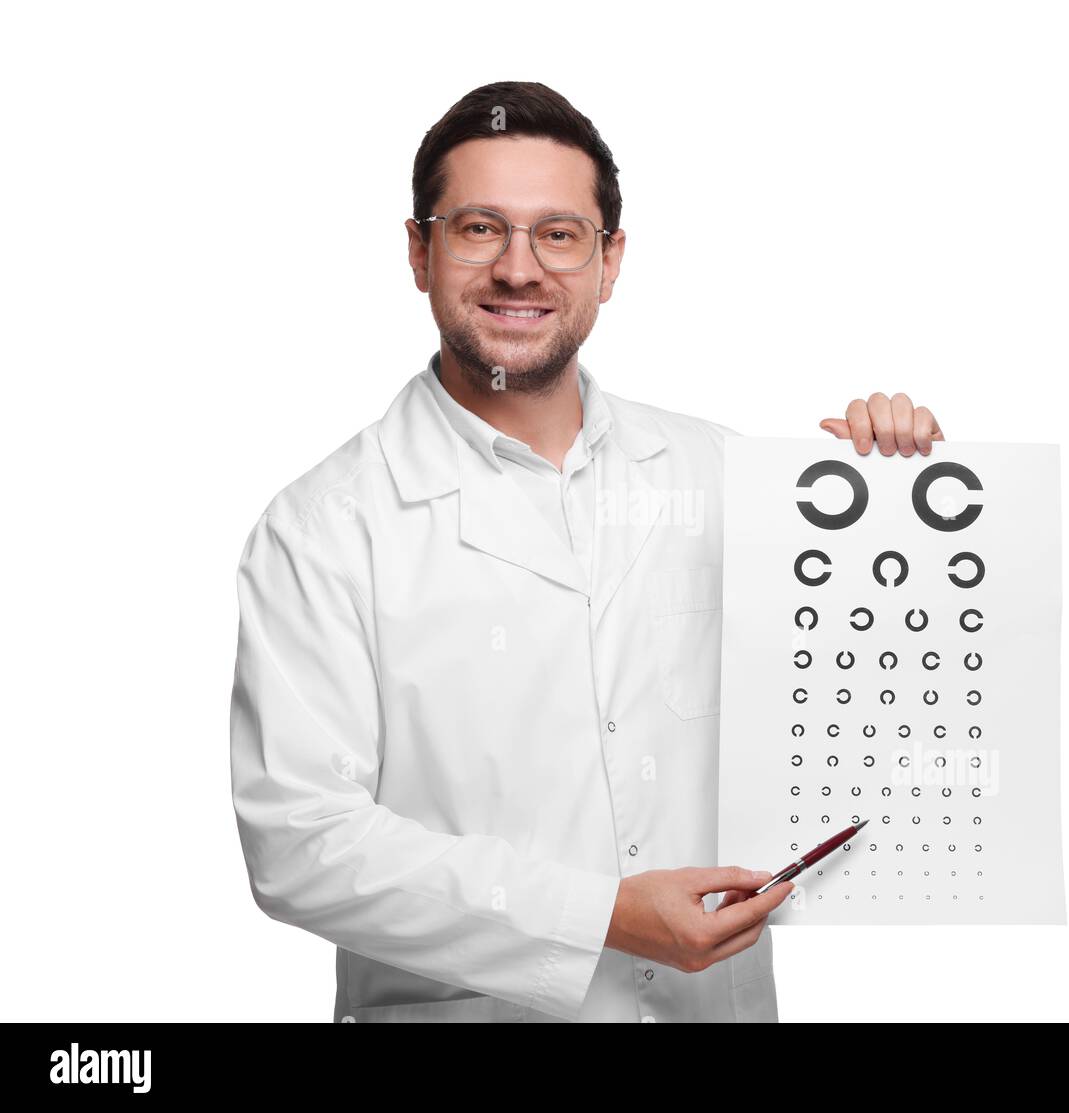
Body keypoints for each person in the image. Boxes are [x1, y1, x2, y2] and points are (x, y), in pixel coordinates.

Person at [228, 81, 945, 1023]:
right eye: (480, 227)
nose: (519, 269)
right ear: (419, 250)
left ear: (610, 261)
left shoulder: (731, 478)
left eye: (559, 234)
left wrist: (895, 495)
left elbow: (868, 700)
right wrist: (600, 917)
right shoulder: (322, 529)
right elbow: (301, 842)